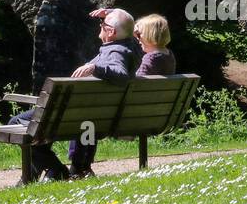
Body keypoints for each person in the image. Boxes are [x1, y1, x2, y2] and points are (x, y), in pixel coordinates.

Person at [8, 7, 138, 181]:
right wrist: (112, 12)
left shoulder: (114, 52)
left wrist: (94, 67)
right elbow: (128, 29)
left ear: (111, 32)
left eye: (103, 24)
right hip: (89, 118)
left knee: (16, 122)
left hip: (73, 116)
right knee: (85, 120)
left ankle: (55, 169)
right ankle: (76, 168)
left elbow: (120, 74)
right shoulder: (130, 47)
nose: (100, 25)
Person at [67, 12, 177, 178]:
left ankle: (79, 166)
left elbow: (127, 77)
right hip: (151, 115)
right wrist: (114, 16)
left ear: (148, 36)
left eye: (138, 34)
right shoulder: (168, 57)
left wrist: (97, 69)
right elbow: (124, 33)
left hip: (127, 117)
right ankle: (82, 167)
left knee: (86, 117)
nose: (136, 37)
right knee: (89, 118)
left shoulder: (148, 61)